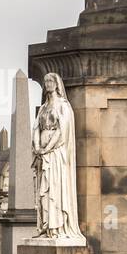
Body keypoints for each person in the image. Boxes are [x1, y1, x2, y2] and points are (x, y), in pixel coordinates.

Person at [31, 73, 84, 241]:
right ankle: (46, 225)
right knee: (43, 192)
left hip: (55, 154)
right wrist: (38, 148)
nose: (47, 84)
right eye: (45, 81)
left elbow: (63, 131)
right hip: (43, 155)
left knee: (54, 188)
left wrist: (47, 148)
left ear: (57, 84)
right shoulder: (44, 107)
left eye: (50, 81)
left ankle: (56, 226)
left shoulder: (63, 106)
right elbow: (36, 129)